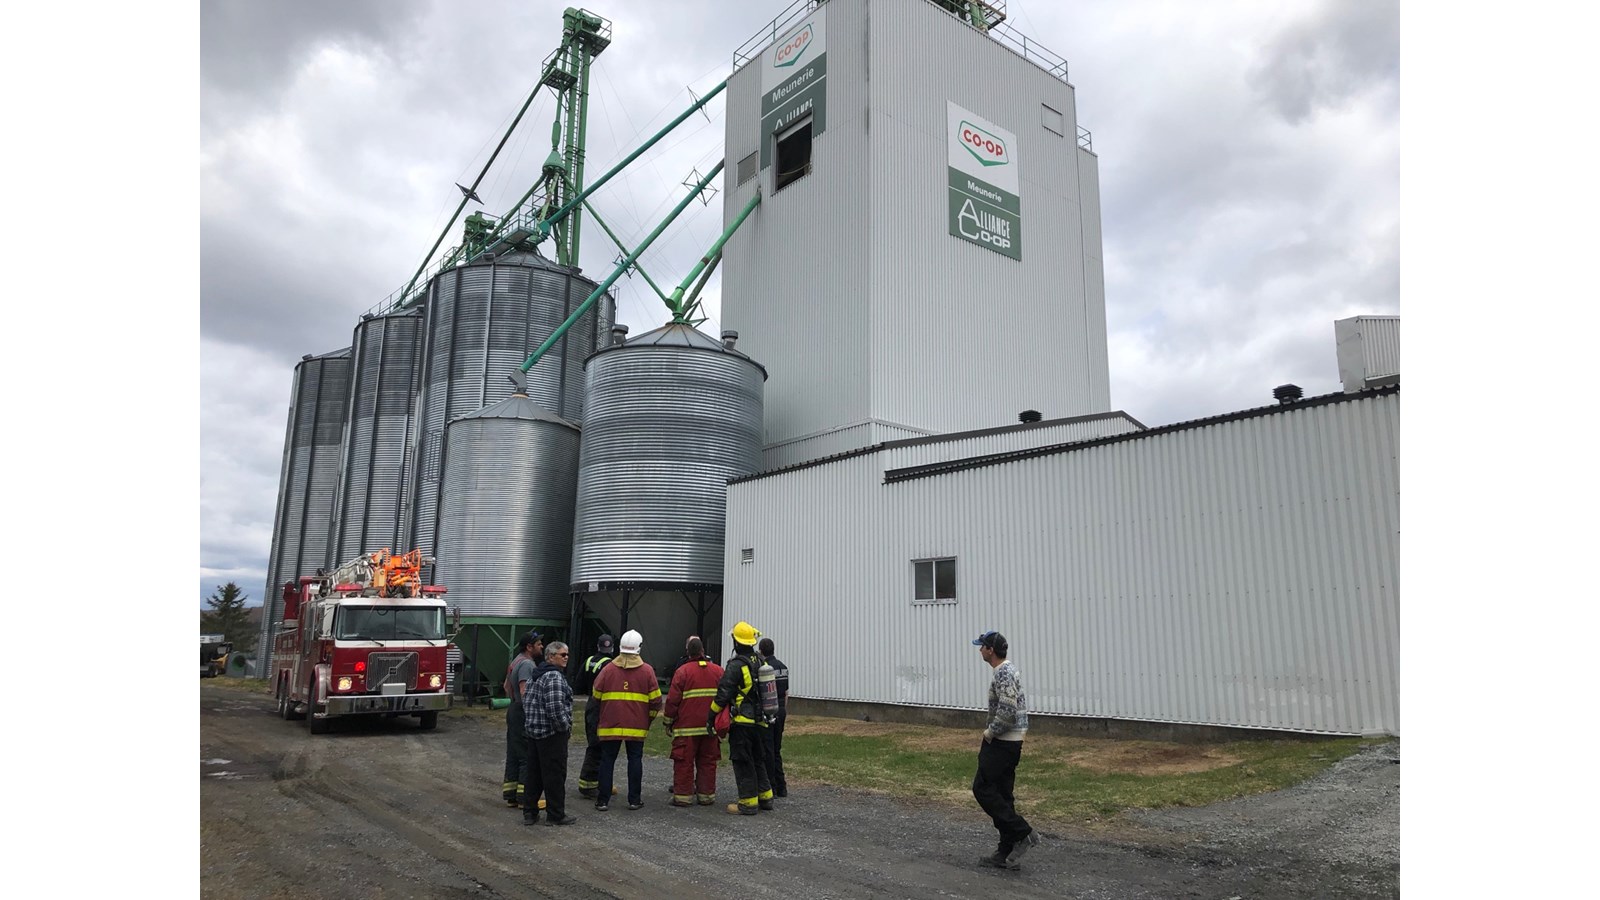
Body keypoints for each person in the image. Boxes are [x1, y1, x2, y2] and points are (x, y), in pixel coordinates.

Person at [971, 630, 1039, 869]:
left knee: (982, 788)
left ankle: (1024, 832)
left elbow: (1008, 711)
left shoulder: (1004, 673)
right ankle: (1005, 851)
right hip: (1010, 741)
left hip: (1002, 741)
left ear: (991, 650)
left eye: (982, 647)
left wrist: (990, 732)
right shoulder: (1004, 671)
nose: (979, 650)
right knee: (1002, 794)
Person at [590, 629, 661, 811]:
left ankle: (602, 800)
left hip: (609, 725)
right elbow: (656, 701)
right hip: (636, 726)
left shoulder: (608, 670)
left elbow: (595, 696)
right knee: (635, 760)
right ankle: (634, 800)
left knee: (607, 760)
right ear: (639, 648)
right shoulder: (647, 671)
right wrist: (648, 720)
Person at [709, 620, 773, 815]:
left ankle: (747, 803)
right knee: (758, 759)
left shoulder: (736, 665)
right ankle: (766, 798)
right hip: (760, 721)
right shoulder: (762, 662)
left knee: (743, 760)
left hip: (742, 724)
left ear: (736, 643)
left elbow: (723, 693)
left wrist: (711, 715)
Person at [662, 636, 724, 807]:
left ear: (688, 652)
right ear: (703, 651)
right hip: (710, 728)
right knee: (708, 762)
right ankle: (706, 796)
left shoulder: (682, 672)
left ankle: (682, 797)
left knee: (684, 763)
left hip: (686, 729)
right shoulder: (718, 671)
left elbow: (672, 701)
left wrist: (668, 722)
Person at [521, 641, 577, 826]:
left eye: (567, 654)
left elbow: (527, 703)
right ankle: (555, 814)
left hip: (534, 733)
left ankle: (530, 812)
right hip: (551, 735)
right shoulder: (553, 677)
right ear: (551, 657)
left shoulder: (536, 675)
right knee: (554, 775)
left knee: (534, 774)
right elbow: (555, 708)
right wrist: (564, 727)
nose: (566, 657)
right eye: (562, 654)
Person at [502, 631, 542, 807]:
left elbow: (505, 686)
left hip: (514, 709)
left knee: (514, 753)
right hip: (522, 711)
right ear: (529, 646)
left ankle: (511, 794)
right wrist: (532, 712)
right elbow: (525, 691)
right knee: (527, 754)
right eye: (539, 643)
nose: (541, 646)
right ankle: (524, 797)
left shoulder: (515, 661)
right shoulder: (527, 664)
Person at [576, 634, 614, 799]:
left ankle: (593, 781)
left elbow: (578, 684)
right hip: (603, 706)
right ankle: (589, 783)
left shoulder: (588, 661)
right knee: (598, 745)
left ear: (598, 646)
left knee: (593, 742)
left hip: (591, 703)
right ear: (611, 648)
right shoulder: (610, 665)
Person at [757, 636, 789, 798]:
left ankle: (772, 787)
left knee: (768, 750)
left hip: (770, 711)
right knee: (777, 749)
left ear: (761, 651)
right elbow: (785, 693)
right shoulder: (783, 668)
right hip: (782, 710)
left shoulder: (764, 668)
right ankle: (782, 787)